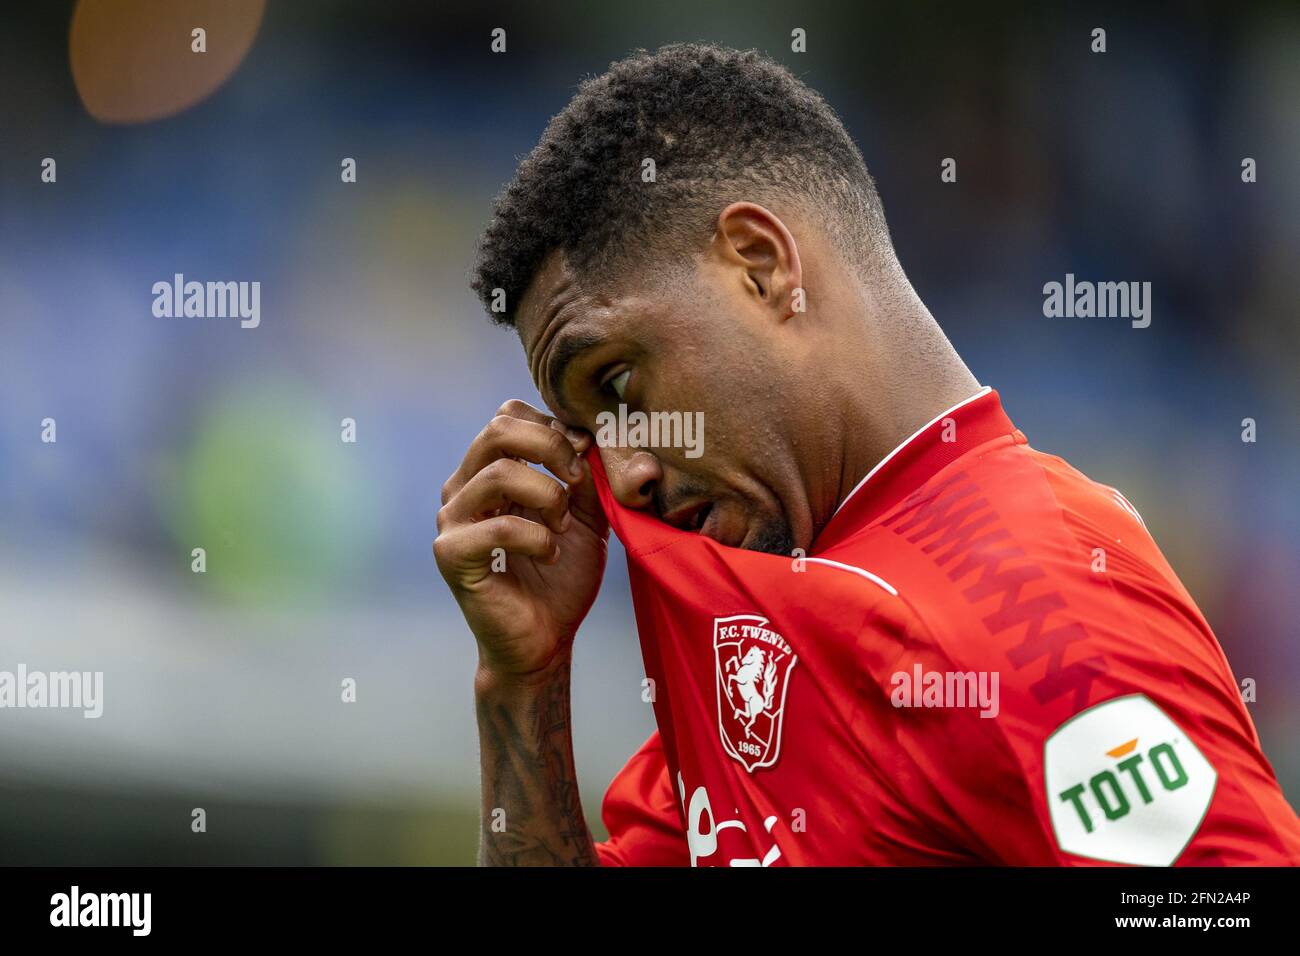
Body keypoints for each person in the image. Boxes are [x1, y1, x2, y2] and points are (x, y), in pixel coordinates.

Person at [434, 43, 1300, 865]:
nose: (626, 475)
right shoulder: (766, 609)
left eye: (619, 385)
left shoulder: (1045, 622)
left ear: (763, 265)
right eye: (587, 432)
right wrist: (523, 682)